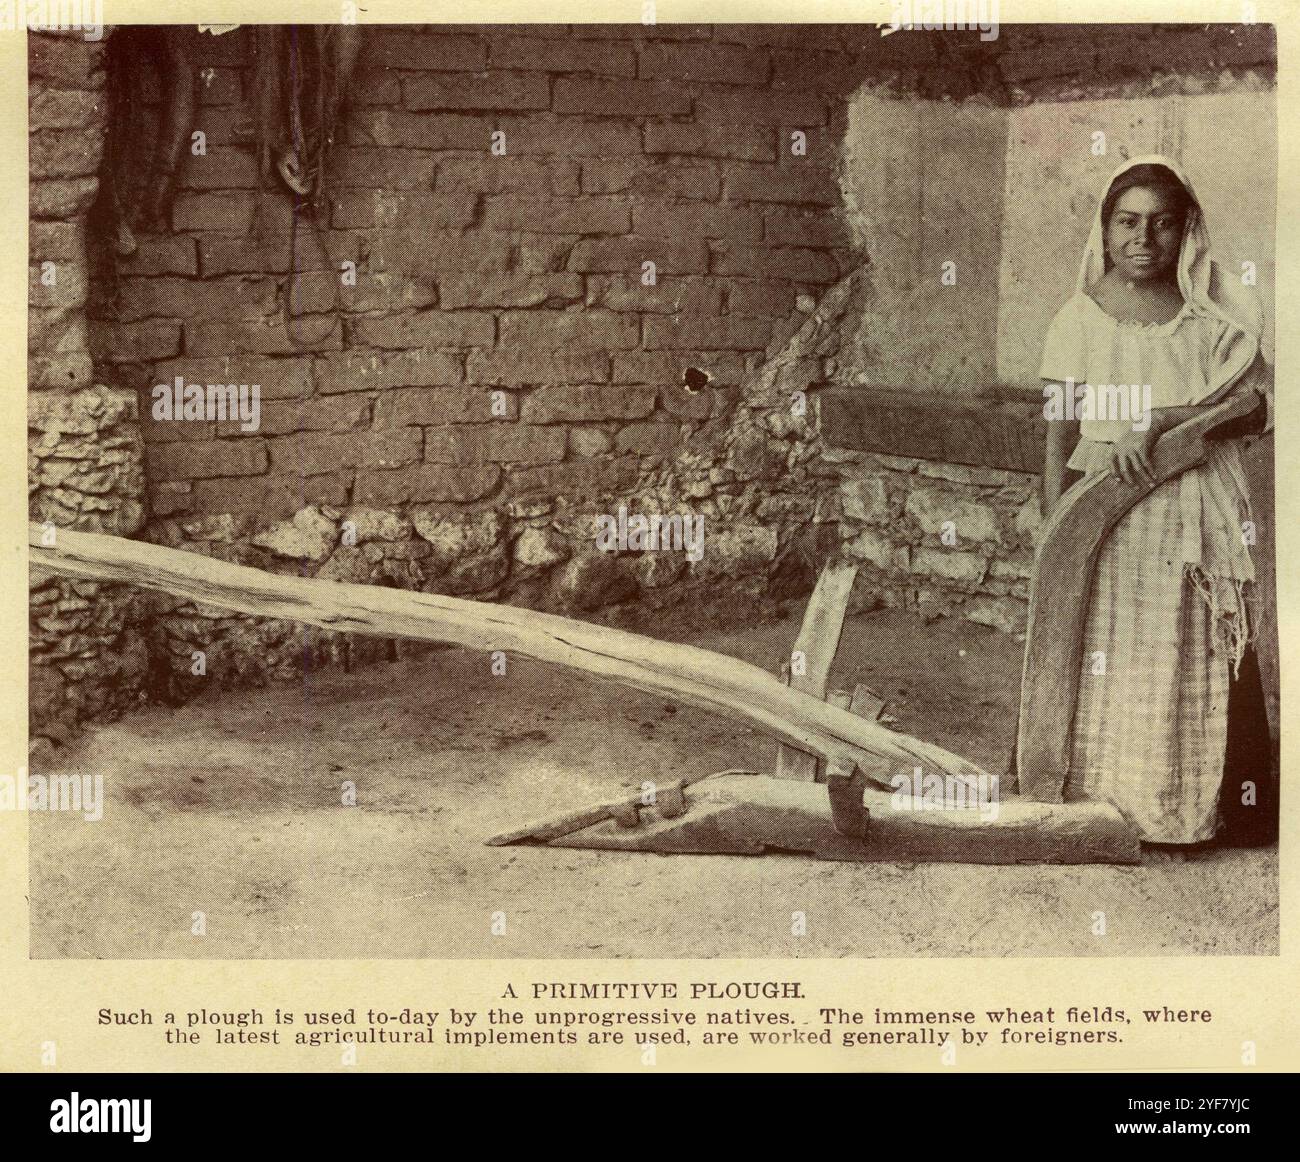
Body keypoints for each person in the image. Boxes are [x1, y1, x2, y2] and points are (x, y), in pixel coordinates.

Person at [1038, 156, 1275, 848]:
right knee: (1113, 651)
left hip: (1193, 507)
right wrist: (1053, 526)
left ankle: (1186, 809)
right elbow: (1057, 434)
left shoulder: (1211, 319)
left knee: (1188, 650)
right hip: (1103, 516)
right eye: (1128, 222)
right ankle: (1106, 804)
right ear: (1106, 231)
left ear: (1186, 232)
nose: (1144, 238)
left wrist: (1163, 418)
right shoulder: (1077, 320)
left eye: (1162, 224)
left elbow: (1256, 411)